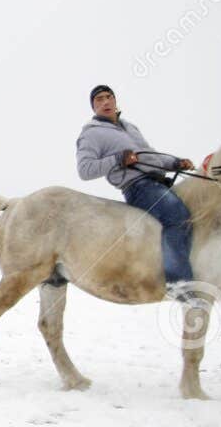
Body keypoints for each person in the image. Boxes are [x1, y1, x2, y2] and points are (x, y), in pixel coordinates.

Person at [75, 84, 201, 302]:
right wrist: (118, 159)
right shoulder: (92, 134)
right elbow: (85, 171)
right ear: (93, 107)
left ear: (115, 101)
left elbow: (150, 157)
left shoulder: (129, 127)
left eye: (109, 97)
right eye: (99, 100)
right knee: (177, 216)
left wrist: (175, 162)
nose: (105, 102)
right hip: (138, 187)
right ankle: (178, 284)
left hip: (159, 183)